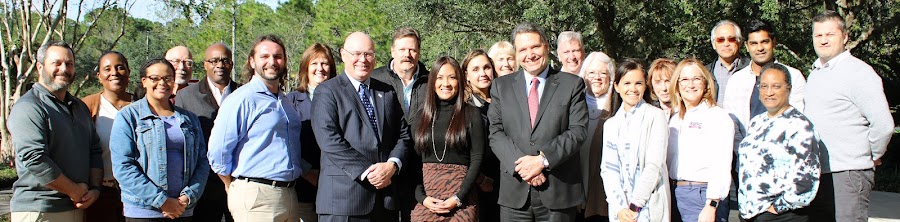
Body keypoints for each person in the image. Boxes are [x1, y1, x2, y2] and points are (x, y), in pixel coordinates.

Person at [489, 22, 587, 221]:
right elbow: (496, 133)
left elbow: (577, 131)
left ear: (547, 47)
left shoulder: (572, 84)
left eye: (535, 47)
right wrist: (525, 169)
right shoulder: (501, 86)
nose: (530, 54)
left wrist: (542, 161)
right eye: (523, 49)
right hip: (515, 195)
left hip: (558, 194)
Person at [312, 32, 411, 222]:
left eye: (369, 54)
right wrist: (369, 172)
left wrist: (392, 165)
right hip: (343, 203)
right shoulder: (327, 92)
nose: (363, 60)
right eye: (356, 53)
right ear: (343, 55)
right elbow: (330, 141)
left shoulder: (387, 91)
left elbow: (403, 135)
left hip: (385, 203)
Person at [804, 11, 894, 221]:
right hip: (818, 174)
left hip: (848, 174)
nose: (824, 40)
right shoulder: (816, 73)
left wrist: (871, 155)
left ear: (844, 37)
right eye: (818, 35)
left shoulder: (858, 72)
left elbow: (883, 124)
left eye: (830, 34)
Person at [207, 34, 307, 221]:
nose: (272, 62)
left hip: (289, 194)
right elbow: (218, 151)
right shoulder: (241, 99)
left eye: (277, 56)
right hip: (256, 196)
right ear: (252, 62)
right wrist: (232, 185)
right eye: (265, 56)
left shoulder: (285, 102)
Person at [8, 40, 102, 222]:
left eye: (69, 64)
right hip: (40, 209)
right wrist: (74, 190)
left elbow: (95, 150)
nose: (64, 69)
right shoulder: (29, 107)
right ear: (39, 67)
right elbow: (34, 158)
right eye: (56, 63)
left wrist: (95, 189)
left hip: (77, 207)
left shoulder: (79, 107)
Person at [109, 58, 210, 221]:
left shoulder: (189, 119)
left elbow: (202, 162)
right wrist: (161, 201)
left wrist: (189, 196)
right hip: (143, 212)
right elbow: (123, 166)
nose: (162, 83)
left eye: (168, 78)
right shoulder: (129, 116)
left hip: (182, 210)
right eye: (155, 78)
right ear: (144, 82)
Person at [738, 63, 820, 221]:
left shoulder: (800, 126)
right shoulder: (756, 122)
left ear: (788, 89)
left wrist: (777, 207)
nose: (769, 92)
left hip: (781, 215)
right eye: (764, 86)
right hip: (751, 212)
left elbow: (806, 180)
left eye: (776, 86)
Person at [409, 57, 485, 221]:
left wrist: (458, 197)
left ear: (460, 81)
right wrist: (422, 198)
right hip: (428, 199)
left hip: (461, 199)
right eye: (440, 77)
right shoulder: (420, 117)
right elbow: (413, 162)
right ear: (432, 81)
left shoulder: (472, 114)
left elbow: (477, 158)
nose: (446, 83)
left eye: (452, 77)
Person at [175, 43, 241, 222]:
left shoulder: (244, 93)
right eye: (213, 61)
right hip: (202, 185)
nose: (219, 65)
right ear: (205, 65)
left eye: (225, 60)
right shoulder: (186, 96)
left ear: (231, 65)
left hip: (239, 182)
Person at [600, 59, 671, 222]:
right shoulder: (611, 124)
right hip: (621, 210)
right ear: (617, 86)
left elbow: (654, 165)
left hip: (648, 206)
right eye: (627, 83)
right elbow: (608, 169)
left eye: (638, 83)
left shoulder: (655, 116)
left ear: (645, 86)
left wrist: (635, 205)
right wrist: (619, 207)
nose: (632, 89)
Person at [667, 58, 733, 222]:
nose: (691, 85)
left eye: (696, 79)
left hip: (702, 195)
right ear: (677, 85)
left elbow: (722, 164)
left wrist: (711, 204)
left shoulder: (717, 116)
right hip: (674, 194)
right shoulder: (674, 119)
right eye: (685, 79)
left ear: (706, 83)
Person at [723, 19, 806, 132]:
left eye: (764, 42)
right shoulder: (736, 81)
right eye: (754, 43)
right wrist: (743, 147)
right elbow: (731, 122)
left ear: (773, 42)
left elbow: (798, 117)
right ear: (747, 46)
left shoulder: (794, 76)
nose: (760, 48)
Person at [81, 51, 135, 222]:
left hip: (137, 192)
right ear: (99, 76)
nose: (114, 72)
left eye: (120, 67)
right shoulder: (87, 106)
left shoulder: (142, 104)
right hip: (101, 194)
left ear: (128, 71)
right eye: (107, 68)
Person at [286, 42, 337, 222]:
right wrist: (307, 172)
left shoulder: (342, 99)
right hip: (302, 189)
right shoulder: (291, 101)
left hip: (335, 188)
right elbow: (285, 143)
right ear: (305, 68)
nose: (320, 69)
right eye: (314, 63)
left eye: (324, 63)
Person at [460, 49, 501, 222]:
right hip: (480, 185)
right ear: (466, 75)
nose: (483, 73)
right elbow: (461, 149)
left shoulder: (503, 99)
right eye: (475, 69)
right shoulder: (464, 107)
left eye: (486, 67)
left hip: (506, 180)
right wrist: (480, 179)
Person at [576, 51, 616, 221]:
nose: (597, 77)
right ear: (584, 76)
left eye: (603, 73)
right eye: (591, 73)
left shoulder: (618, 106)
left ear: (611, 77)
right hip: (576, 186)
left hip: (603, 193)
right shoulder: (574, 103)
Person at [705, 20, 750, 104]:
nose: (726, 44)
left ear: (739, 42)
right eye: (720, 40)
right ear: (714, 44)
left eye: (731, 39)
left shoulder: (751, 69)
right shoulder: (705, 73)